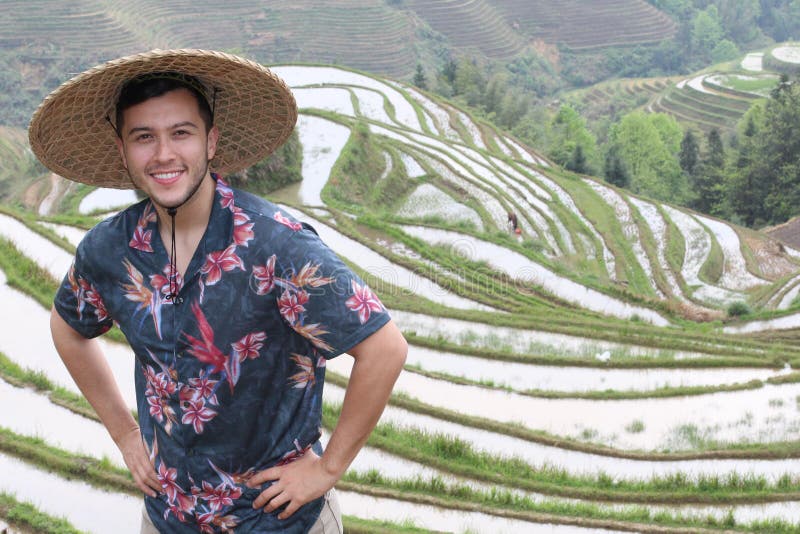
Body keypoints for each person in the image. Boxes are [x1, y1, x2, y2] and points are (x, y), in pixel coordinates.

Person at [30, 49, 407, 533]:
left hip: (276, 521)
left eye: (181, 133)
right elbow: (68, 329)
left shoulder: (277, 246)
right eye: (144, 137)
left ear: (211, 142)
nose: (163, 154)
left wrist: (328, 469)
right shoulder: (109, 250)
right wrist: (126, 435)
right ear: (122, 149)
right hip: (168, 518)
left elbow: (384, 348)